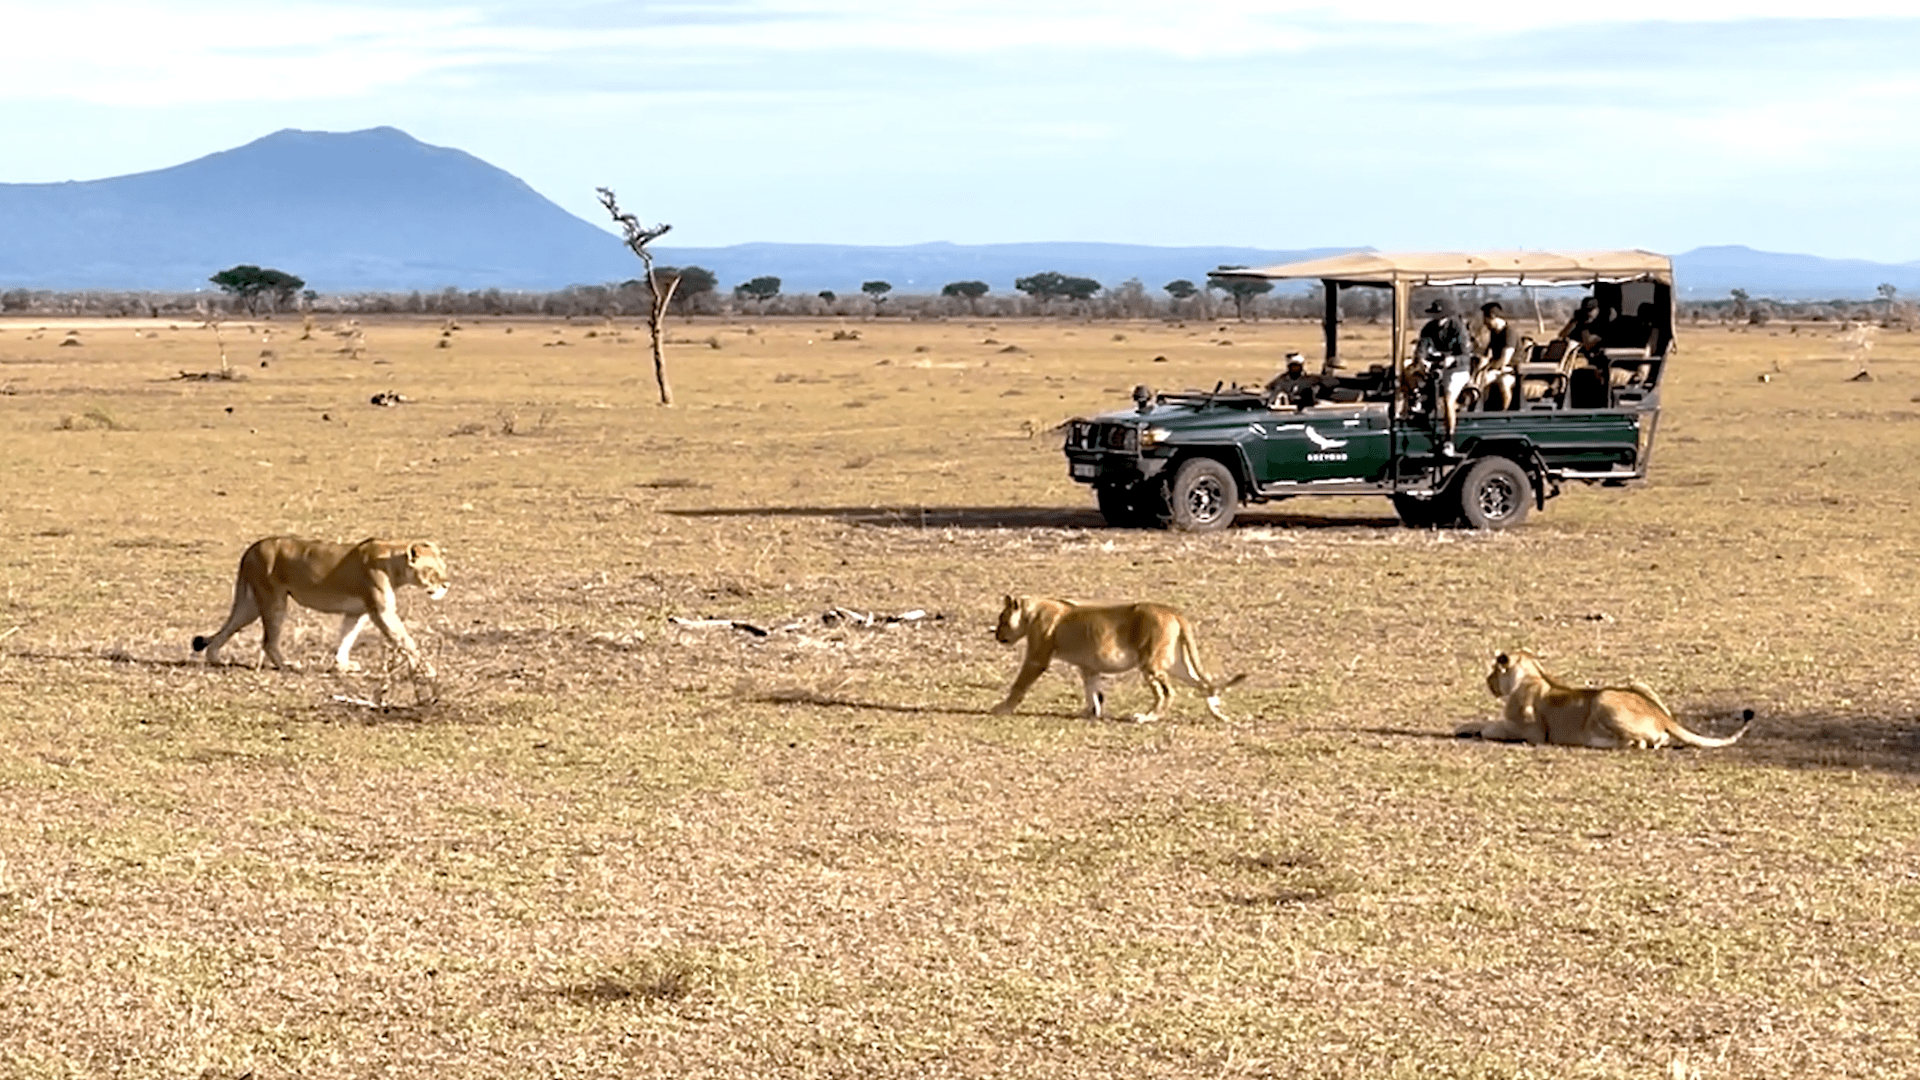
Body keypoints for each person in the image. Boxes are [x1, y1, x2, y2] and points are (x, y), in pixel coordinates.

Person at [1416, 299, 1472, 455]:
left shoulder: (1458, 328)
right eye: (1435, 314)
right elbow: (1421, 348)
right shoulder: (1428, 328)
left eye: (1440, 315)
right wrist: (1422, 361)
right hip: (1437, 366)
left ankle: (1449, 439)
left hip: (1458, 369)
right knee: (1411, 375)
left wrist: (1452, 359)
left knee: (1448, 398)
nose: (1437, 318)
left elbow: (1466, 355)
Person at [1477, 301, 1519, 411]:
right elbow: (1488, 353)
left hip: (1513, 370)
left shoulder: (1509, 333)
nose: (1485, 324)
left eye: (1486, 320)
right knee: (1480, 377)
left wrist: (1489, 367)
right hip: (1499, 369)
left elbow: (1504, 359)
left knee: (1503, 382)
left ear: (1493, 318)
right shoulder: (1494, 333)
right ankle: (1480, 408)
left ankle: (1504, 412)